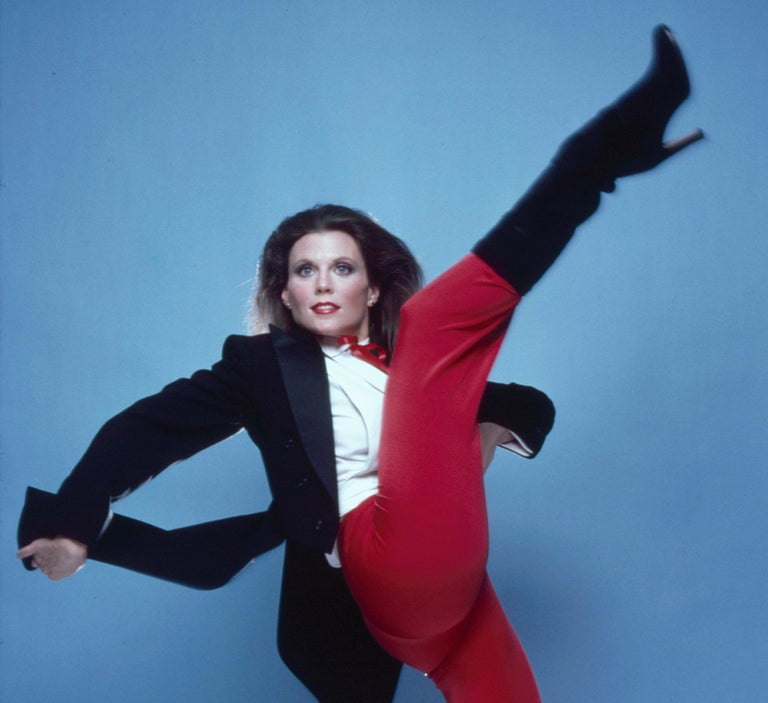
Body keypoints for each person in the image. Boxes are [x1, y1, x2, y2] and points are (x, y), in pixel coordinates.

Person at [18, 23, 702, 702]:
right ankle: (603, 155)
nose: (321, 282)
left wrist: (484, 434)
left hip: (456, 604)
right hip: (375, 573)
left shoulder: (408, 374)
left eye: (340, 266)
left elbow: (529, 404)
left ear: (371, 285)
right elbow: (150, 427)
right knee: (437, 324)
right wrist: (74, 520)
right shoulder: (260, 367)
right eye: (303, 269)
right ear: (283, 291)